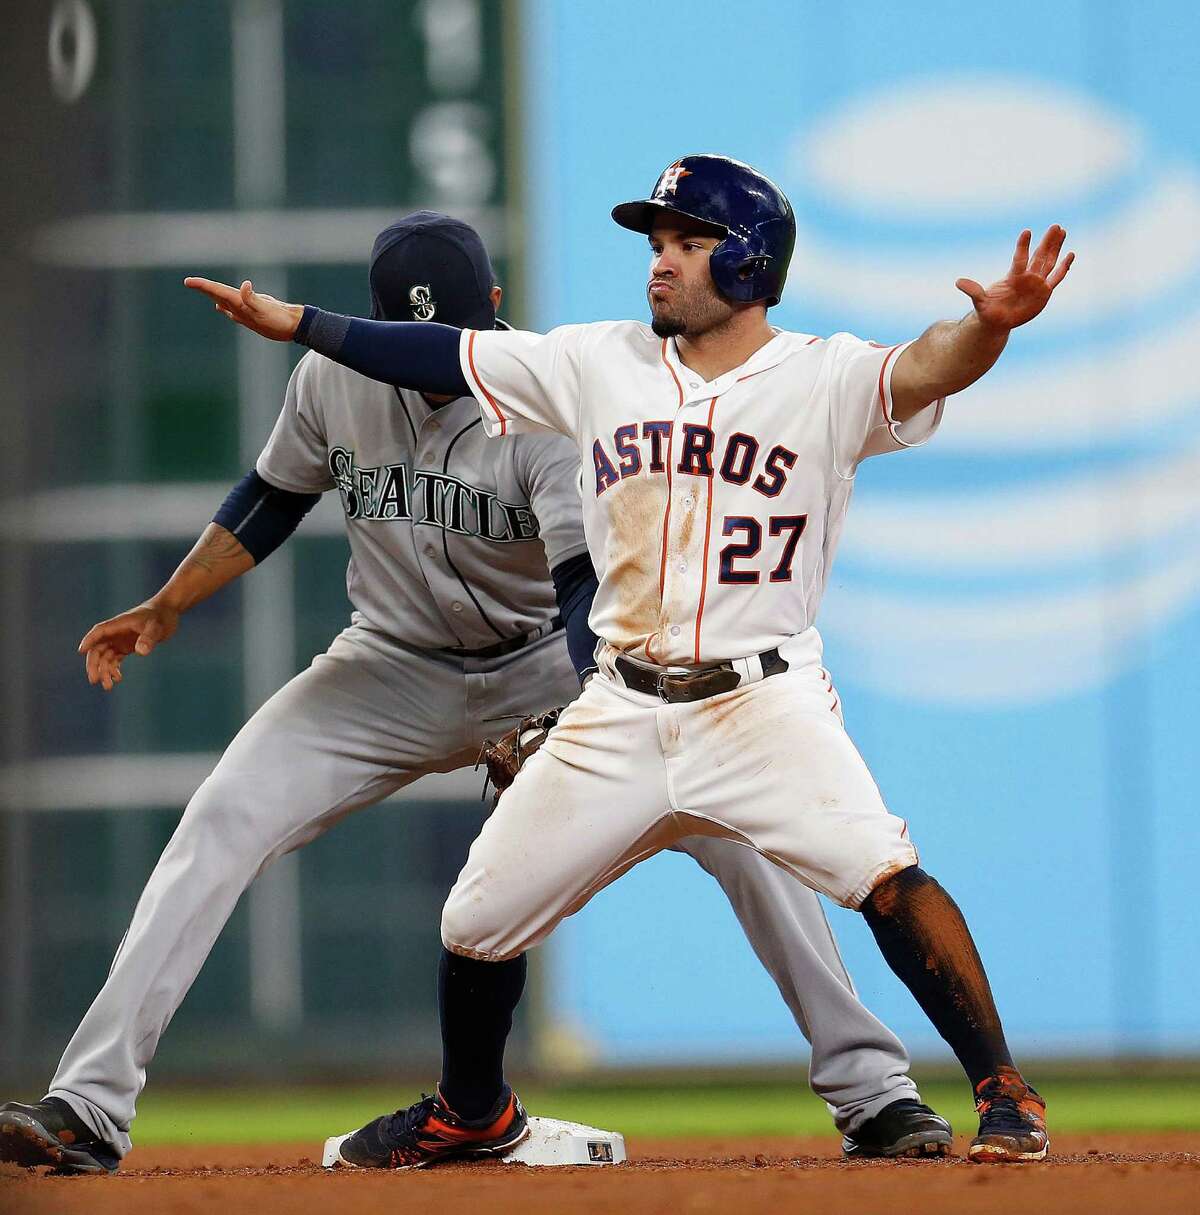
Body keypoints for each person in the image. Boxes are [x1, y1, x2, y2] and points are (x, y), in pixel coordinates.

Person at [0, 211, 950, 1176]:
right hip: (386, 667)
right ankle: (89, 1104)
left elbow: (588, 594)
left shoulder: (540, 401)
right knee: (221, 818)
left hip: (546, 662)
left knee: (737, 834)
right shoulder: (333, 377)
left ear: (486, 315)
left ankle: (875, 1092)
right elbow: (273, 494)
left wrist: (577, 711)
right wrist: (167, 604)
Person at [181, 155, 1074, 1168]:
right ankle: (472, 1113)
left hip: (762, 706)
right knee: (478, 917)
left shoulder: (823, 377)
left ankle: (1005, 1090)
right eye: (655, 244)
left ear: (747, 264)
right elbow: (437, 353)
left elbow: (928, 364)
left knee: (881, 872)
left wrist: (990, 328)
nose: (660, 263)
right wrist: (302, 325)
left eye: (686, 244)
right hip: (618, 706)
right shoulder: (595, 364)